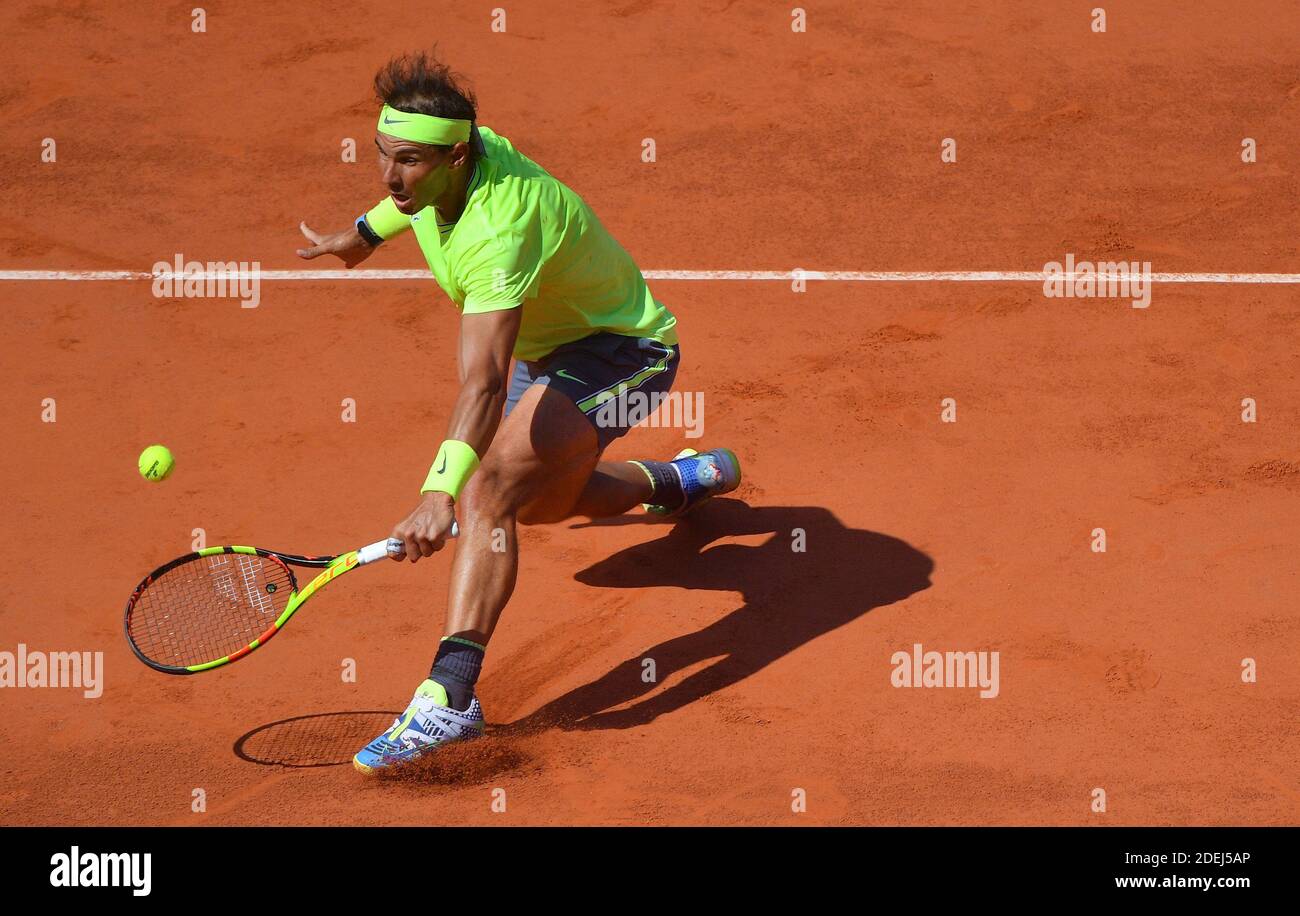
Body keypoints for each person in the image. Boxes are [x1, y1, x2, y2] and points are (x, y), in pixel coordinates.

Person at [296, 50, 741, 775]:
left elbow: (481, 383)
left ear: (457, 156)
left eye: (409, 162)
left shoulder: (499, 235)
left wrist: (440, 493)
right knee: (535, 506)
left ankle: (450, 697)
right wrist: (368, 230)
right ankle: (673, 481)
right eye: (384, 157)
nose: (390, 177)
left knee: (490, 489)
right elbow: (413, 189)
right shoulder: (460, 155)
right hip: (552, 344)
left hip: (626, 352)